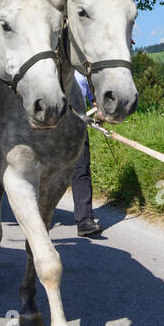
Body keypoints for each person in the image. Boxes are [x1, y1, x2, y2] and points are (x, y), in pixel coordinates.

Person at [70, 71, 101, 237]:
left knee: (81, 169)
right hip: (49, 124)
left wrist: (99, 108)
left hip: (78, 124)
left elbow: (94, 96)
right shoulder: (49, 62)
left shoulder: (83, 72)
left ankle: (85, 221)